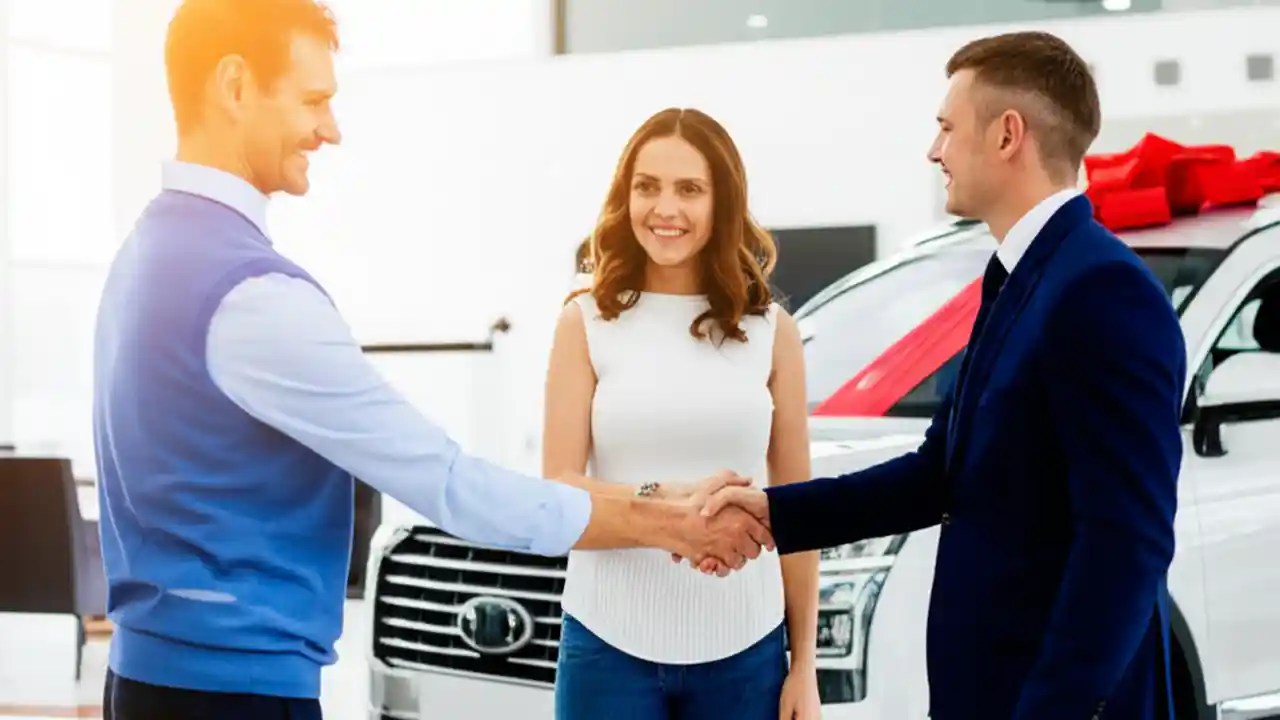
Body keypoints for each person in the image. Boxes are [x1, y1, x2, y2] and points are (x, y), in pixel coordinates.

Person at [91, 3, 770, 719]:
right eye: (313, 100)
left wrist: (658, 501)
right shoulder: (252, 295)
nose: (329, 128)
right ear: (234, 86)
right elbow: (453, 486)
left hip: (149, 682)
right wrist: (673, 525)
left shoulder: (145, 256)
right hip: (230, 698)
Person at [704, 31, 1187, 720]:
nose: (934, 151)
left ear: (1007, 135)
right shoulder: (1019, 279)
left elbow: (1126, 543)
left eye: (946, 127)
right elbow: (944, 472)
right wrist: (776, 513)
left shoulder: (1102, 289)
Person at [542, 108, 821, 720]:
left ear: (723, 202)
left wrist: (804, 665)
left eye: (689, 189)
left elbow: (799, 507)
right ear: (626, 196)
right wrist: (663, 502)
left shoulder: (772, 332)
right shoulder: (584, 323)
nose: (665, 209)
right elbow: (559, 492)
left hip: (746, 648)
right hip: (605, 645)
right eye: (647, 186)